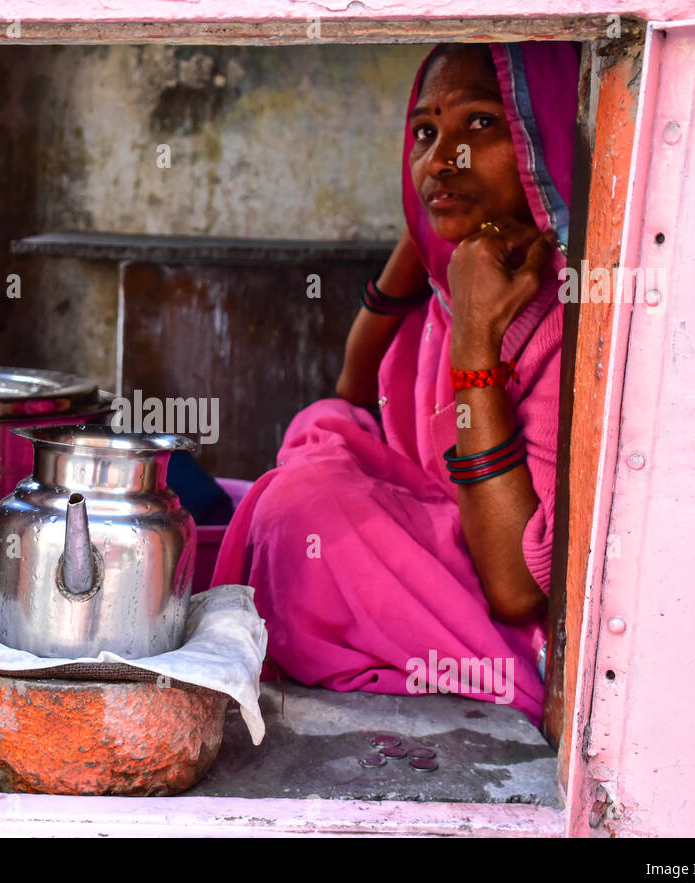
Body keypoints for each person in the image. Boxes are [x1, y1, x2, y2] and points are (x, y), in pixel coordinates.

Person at [210, 42, 580, 725]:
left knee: (303, 510)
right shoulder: (458, 278)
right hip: (439, 533)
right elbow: (351, 395)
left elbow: (518, 587)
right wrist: (420, 243)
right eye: (425, 133)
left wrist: (474, 341)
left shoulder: (568, 316)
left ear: (544, 137)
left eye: (479, 125)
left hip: (501, 606)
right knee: (323, 436)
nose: (442, 159)